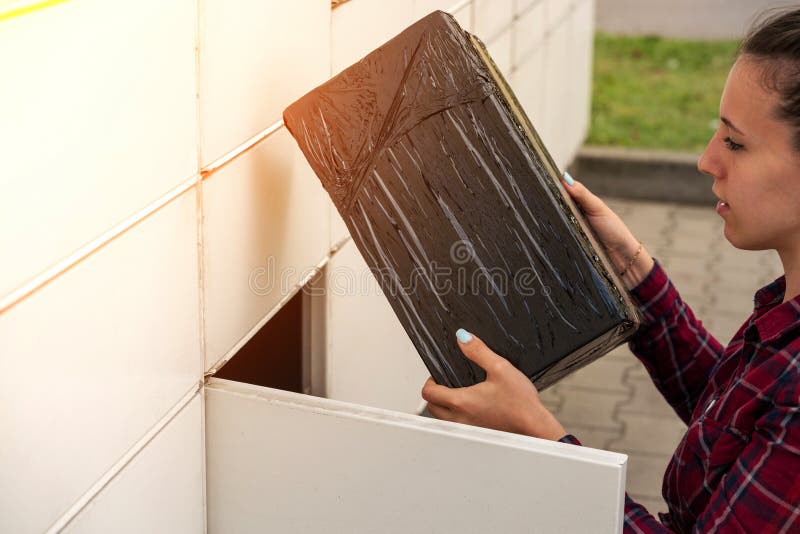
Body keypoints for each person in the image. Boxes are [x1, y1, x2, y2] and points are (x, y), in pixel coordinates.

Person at [421, 7, 800, 532]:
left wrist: (538, 437)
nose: (708, 161)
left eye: (735, 142)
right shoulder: (785, 312)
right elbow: (731, 421)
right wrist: (632, 271)